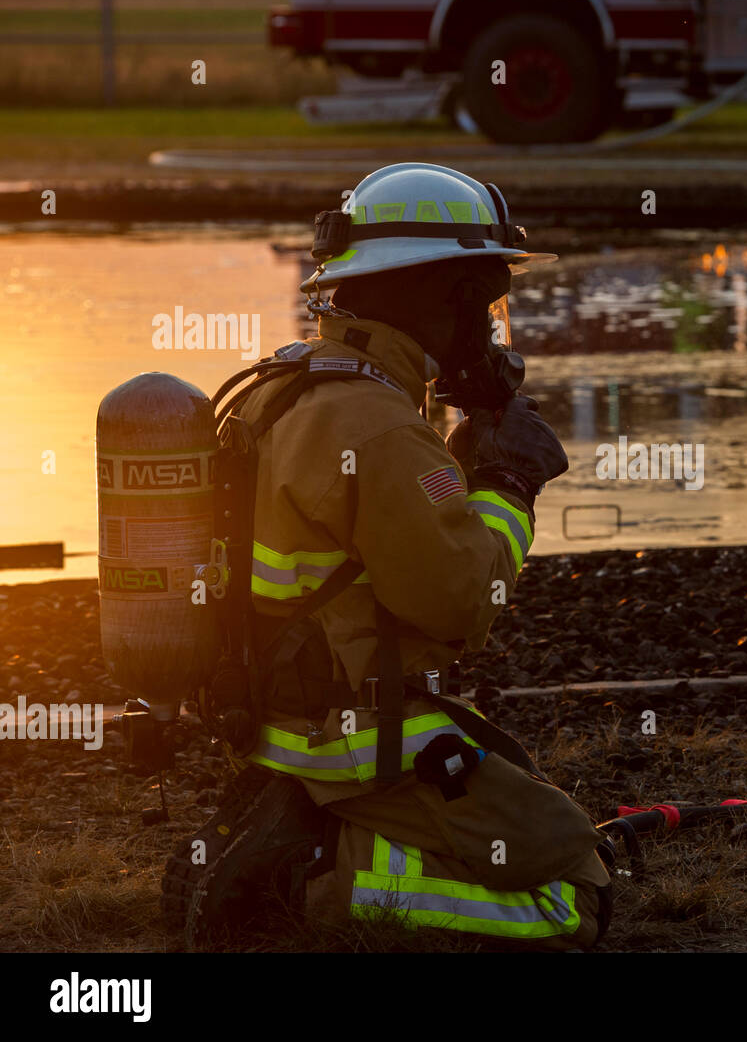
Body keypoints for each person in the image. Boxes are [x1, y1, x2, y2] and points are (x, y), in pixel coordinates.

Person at [166, 162, 612, 950]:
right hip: (359, 741)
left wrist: (459, 440)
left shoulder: (287, 388)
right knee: (574, 893)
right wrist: (508, 482)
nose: (491, 324)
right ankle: (317, 884)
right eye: (484, 298)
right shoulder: (380, 429)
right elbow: (461, 602)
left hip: (277, 723)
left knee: (525, 814)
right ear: (445, 296)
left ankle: (287, 831)